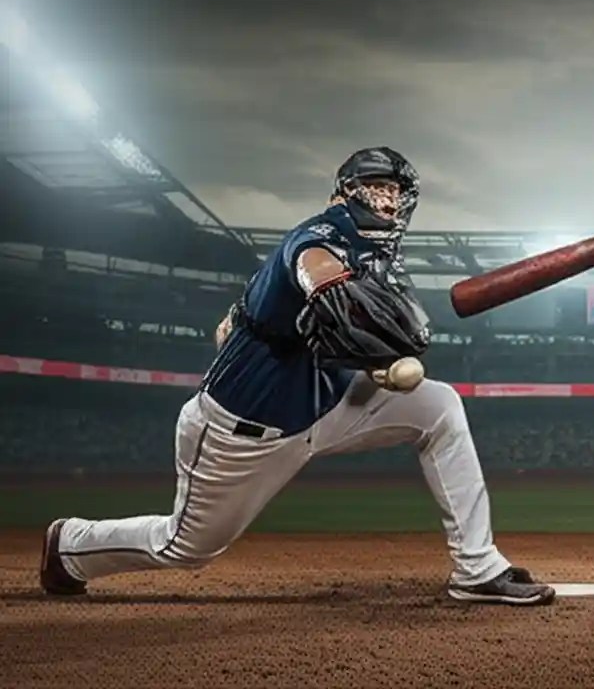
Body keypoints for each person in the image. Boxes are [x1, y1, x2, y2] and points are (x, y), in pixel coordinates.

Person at [39, 147, 556, 606]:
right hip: (245, 430)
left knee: (439, 405)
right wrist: (330, 293)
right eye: (374, 188)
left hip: (325, 409)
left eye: (394, 191)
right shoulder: (320, 236)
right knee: (185, 547)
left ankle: (477, 568)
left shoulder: (380, 259)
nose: (386, 201)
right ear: (342, 194)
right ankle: (69, 546)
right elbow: (314, 266)